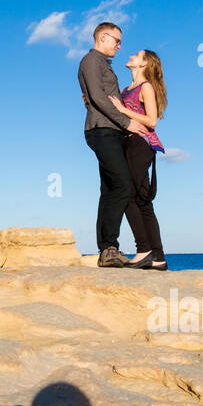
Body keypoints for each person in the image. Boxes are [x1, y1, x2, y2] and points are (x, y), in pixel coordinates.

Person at [77, 22, 135, 268]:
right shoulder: (92, 61)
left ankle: (107, 250)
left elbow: (101, 97)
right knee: (124, 185)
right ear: (102, 37)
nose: (119, 46)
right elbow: (99, 97)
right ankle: (109, 247)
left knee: (110, 190)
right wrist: (127, 123)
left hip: (110, 130)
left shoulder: (103, 64)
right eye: (117, 40)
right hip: (102, 130)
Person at [107, 49, 167, 270]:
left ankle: (144, 250)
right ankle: (158, 257)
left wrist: (122, 109)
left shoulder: (146, 87)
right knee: (143, 202)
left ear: (144, 64)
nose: (131, 55)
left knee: (128, 195)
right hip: (128, 144)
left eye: (137, 55)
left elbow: (152, 120)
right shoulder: (125, 89)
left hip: (141, 144)